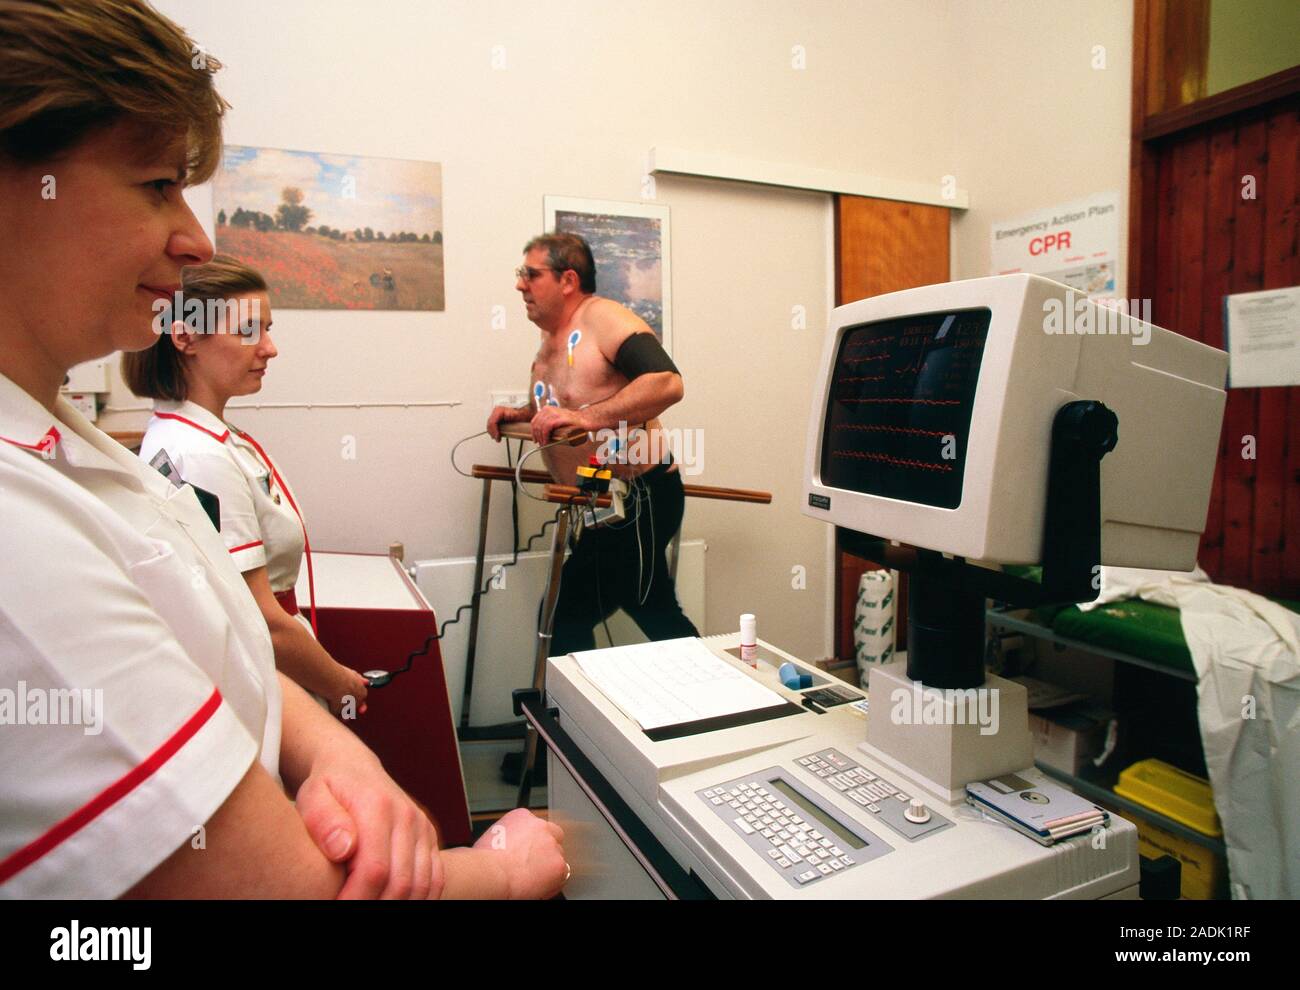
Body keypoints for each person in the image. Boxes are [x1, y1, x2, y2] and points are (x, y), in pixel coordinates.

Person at [0, 0, 566, 898]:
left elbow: (221, 628)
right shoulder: (35, 521)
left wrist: (324, 743)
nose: (192, 236)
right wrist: (509, 874)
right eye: (156, 185)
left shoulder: (70, 438)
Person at [123, 256, 368, 716]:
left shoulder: (203, 436)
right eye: (250, 330)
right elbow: (261, 620)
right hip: (259, 674)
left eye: (268, 328)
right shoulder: (198, 454)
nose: (270, 348)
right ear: (186, 337)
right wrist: (340, 682)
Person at [487, 233, 699, 655]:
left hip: (638, 498)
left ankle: (578, 716)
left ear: (567, 280)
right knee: (652, 607)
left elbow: (666, 383)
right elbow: (566, 400)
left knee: (564, 619)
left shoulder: (604, 319)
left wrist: (585, 418)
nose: (520, 285)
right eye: (520, 274)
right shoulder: (553, 339)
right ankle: (717, 699)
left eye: (531, 274)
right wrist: (524, 413)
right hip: (600, 502)